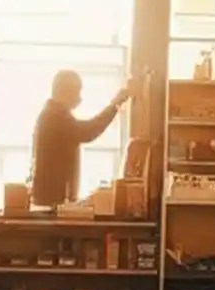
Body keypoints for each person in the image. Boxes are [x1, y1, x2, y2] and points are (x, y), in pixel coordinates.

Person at [30, 70, 139, 207]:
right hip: (51, 200)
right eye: (77, 92)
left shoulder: (52, 114)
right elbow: (88, 131)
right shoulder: (55, 116)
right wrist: (115, 104)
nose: (79, 98)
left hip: (50, 198)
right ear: (66, 91)